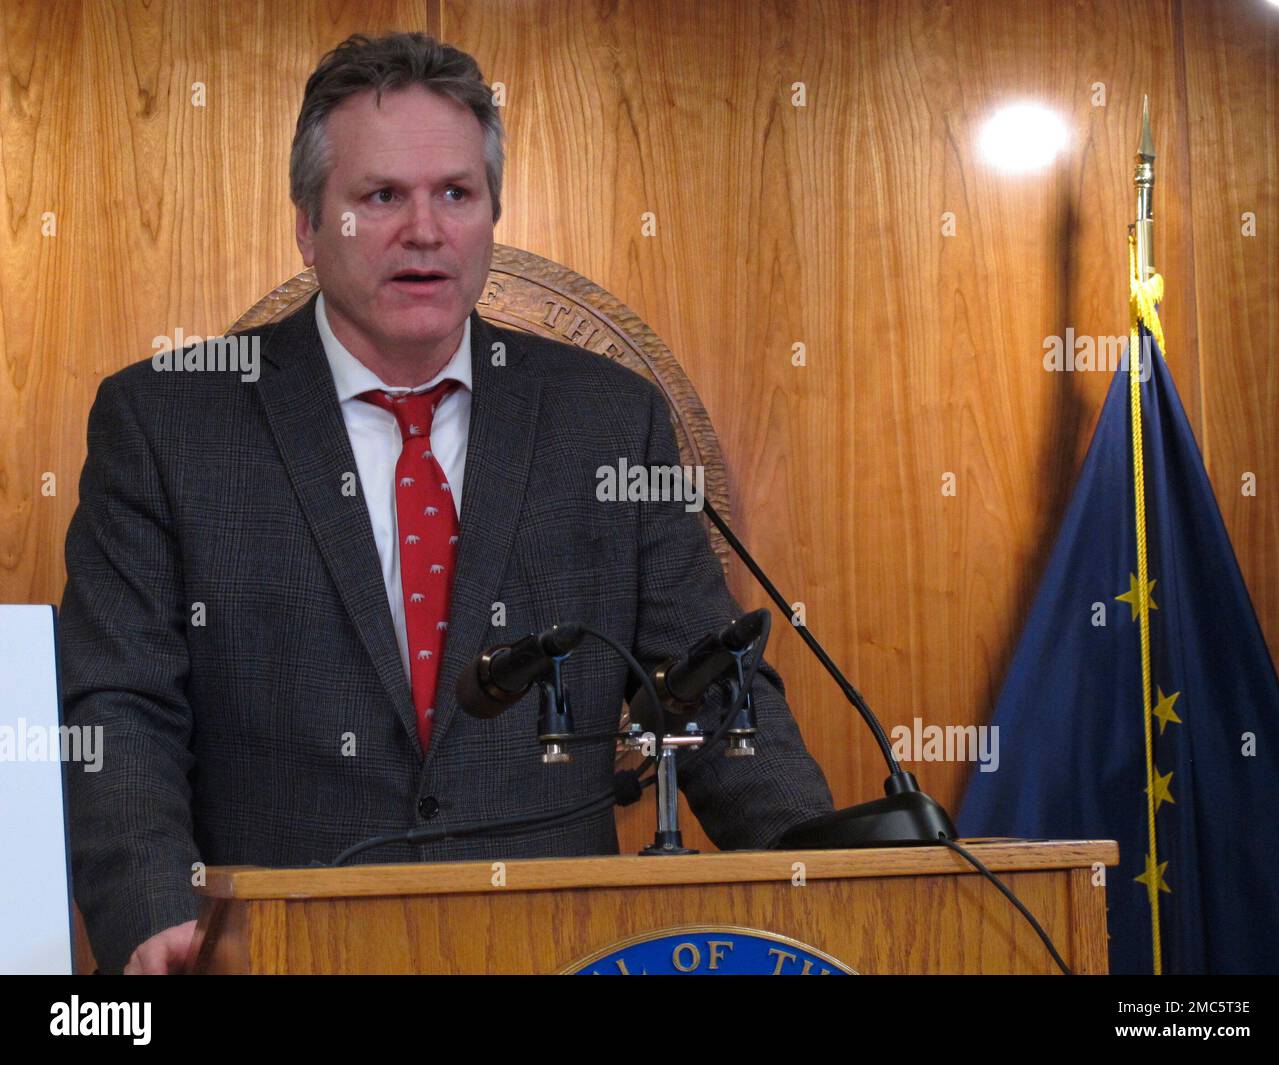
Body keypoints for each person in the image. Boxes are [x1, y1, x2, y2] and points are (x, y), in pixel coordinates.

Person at [60, 31, 833, 975]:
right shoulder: (166, 423)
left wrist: (831, 882)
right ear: (309, 225)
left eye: (455, 195)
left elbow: (710, 699)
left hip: (556, 951)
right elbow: (120, 708)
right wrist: (152, 914)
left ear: (490, 218)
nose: (423, 231)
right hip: (278, 956)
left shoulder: (607, 419)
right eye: (381, 196)